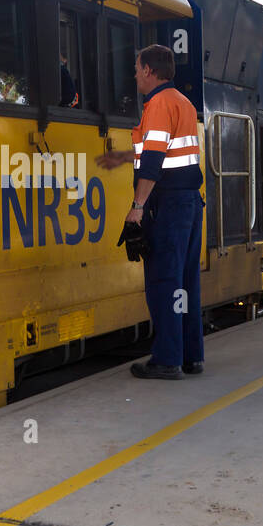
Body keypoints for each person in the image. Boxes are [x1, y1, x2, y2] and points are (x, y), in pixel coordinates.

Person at [96, 45, 204, 379]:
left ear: (148, 71)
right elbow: (163, 149)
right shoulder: (182, 102)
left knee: (163, 281)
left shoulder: (157, 105)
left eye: (136, 67)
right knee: (184, 283)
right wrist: (126, 157)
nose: (134, 74)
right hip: (189, 201)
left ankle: (167, 359)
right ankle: (189, 354)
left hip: (167, 204)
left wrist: (138, 207)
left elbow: (155, 162)